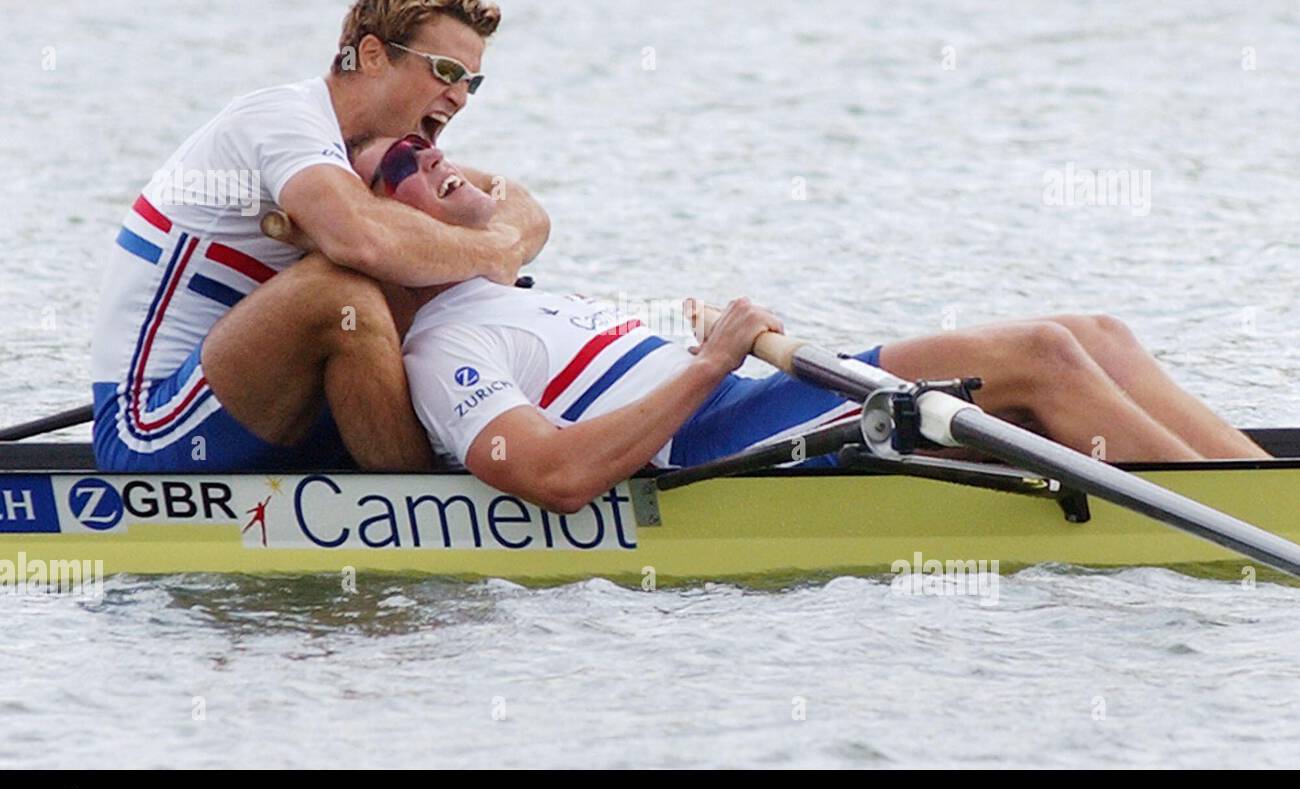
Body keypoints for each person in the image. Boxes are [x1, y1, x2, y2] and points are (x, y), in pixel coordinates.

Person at [345, 135, 1268, 515]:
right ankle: (1238, 521)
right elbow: (551, 475)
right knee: (1043, 357)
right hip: (713, 444)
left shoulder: (502, 290)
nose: (431, 155)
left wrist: (686, 330)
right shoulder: (441, 347)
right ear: (381, 225)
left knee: (1093, 331)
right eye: (399, 166)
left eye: (430, 143)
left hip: (749, 395)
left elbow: (596, 364)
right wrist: (705, 364)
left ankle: (1261, 487)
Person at [90, 0, 548, 473]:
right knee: (341, 293)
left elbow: (521, 205)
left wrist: (498, 247)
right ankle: (423, 505)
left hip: (272, 405)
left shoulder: (381, 151)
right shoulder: (282, 122)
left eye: (471, 82)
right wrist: (490, 253)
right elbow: (363, 242)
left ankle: (543, 436)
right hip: (151, 426)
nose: (460, 97)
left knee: (440, 281)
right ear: (373, 55)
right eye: (444, 71)